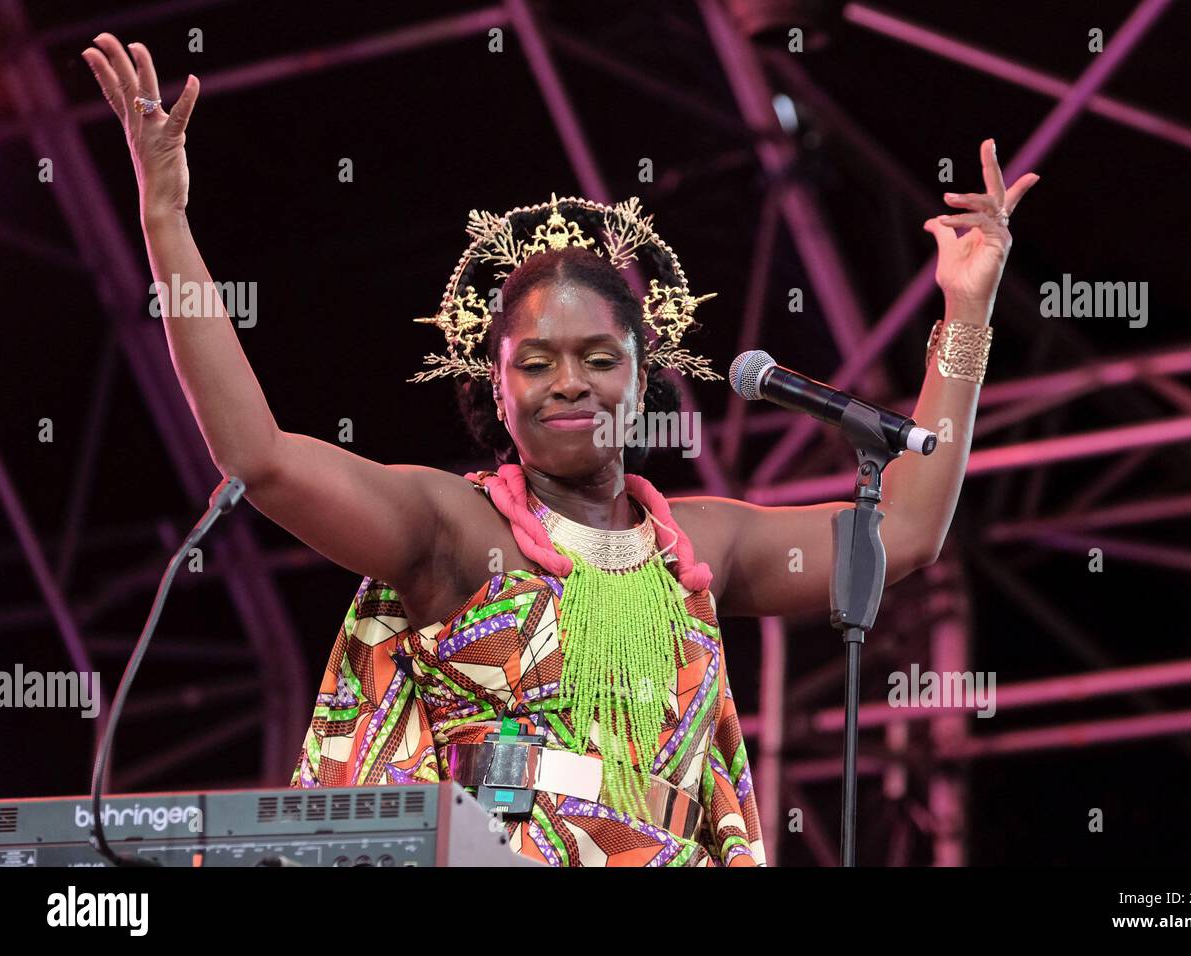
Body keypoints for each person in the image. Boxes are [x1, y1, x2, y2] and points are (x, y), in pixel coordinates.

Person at [82, 33, 1039, 867]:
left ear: (643, 375)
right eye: (535, 364)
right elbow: (262, 456)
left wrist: (968, 308)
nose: (568, 383)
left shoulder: (699, 551)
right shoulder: (453, 532)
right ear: (497, 389)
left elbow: (905, 529)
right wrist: (166, 220)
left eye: (596, 358)